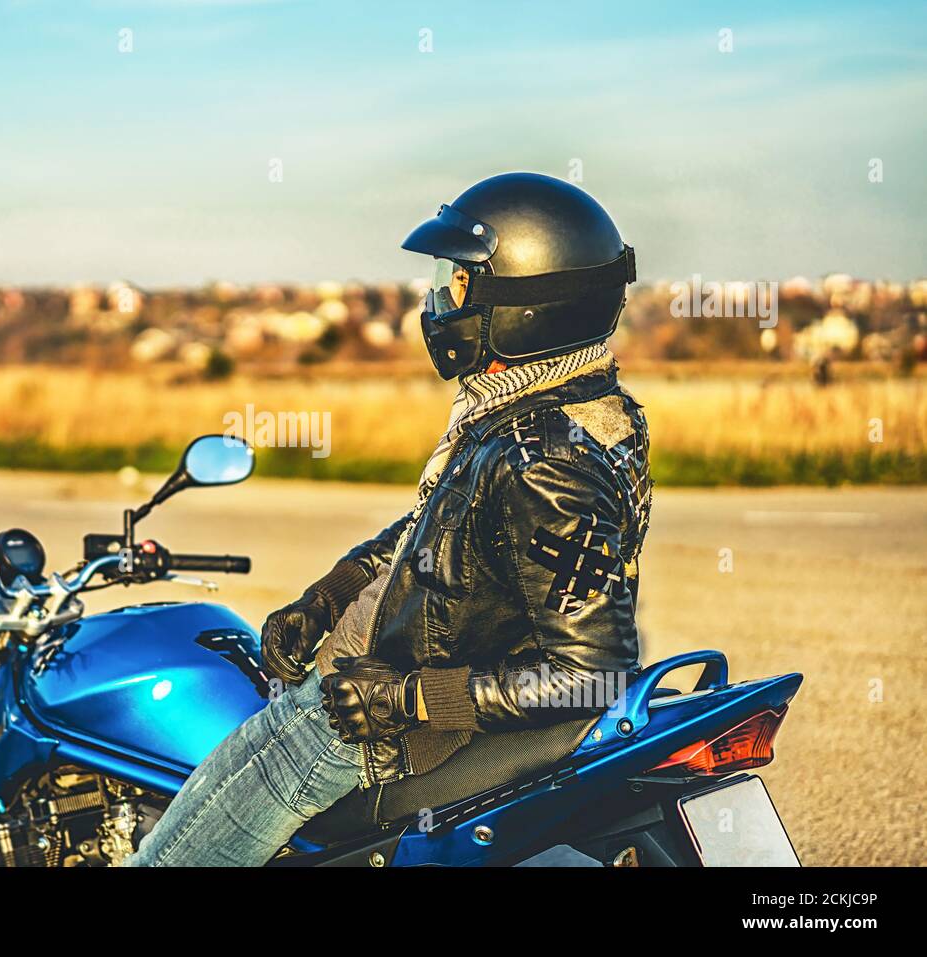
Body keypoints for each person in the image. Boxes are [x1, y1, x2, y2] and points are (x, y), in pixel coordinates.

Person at [125, 172, 652, 866]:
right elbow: (436, 536)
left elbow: (592, 671)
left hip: (378, 734)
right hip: (362, 694)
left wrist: (404, 699)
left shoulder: (544, 458)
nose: (441, 300)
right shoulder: (542, 411)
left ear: (525, 301)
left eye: (461, 282)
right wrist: (329, 597)